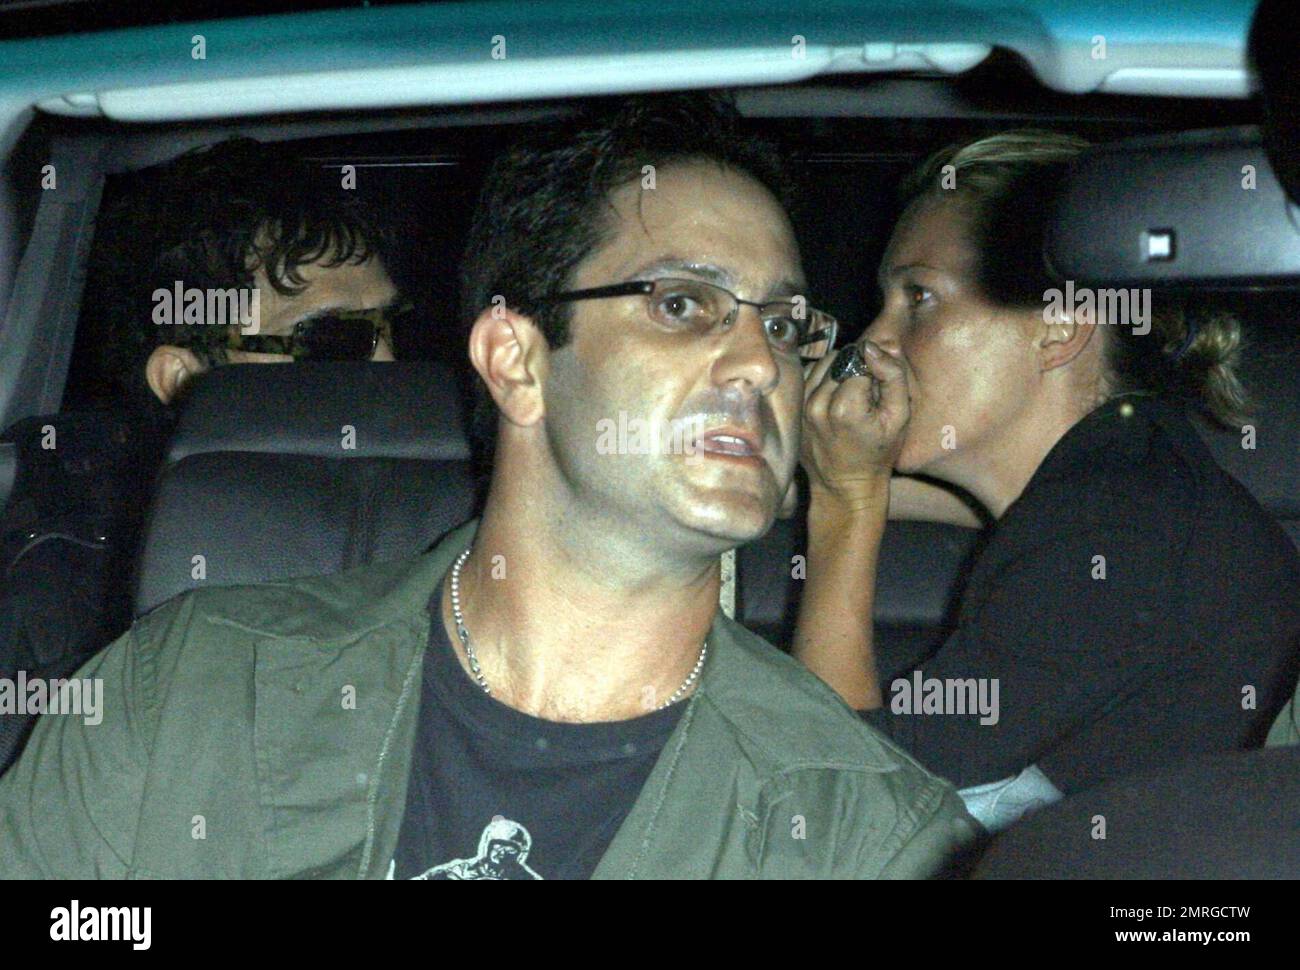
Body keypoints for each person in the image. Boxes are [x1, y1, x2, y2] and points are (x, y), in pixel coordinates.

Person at [0, 95, 977, 879]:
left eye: (782, 324)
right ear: (515, 360)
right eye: (683, 303)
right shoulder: (189, 691)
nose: (761, 364)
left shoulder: (871, 830)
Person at [791, 129, 1300, 826]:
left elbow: (837, 807)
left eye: (920, 298)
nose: (875, 338)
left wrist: (843, 503)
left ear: (1060, 326)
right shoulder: (1134, 481)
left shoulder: (1116, 529)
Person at [0, 137, 403, 774]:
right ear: (185, 380)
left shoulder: (451, 512)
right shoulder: (73, 594)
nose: (387, 366)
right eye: (332, 338)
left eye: (390, 327)